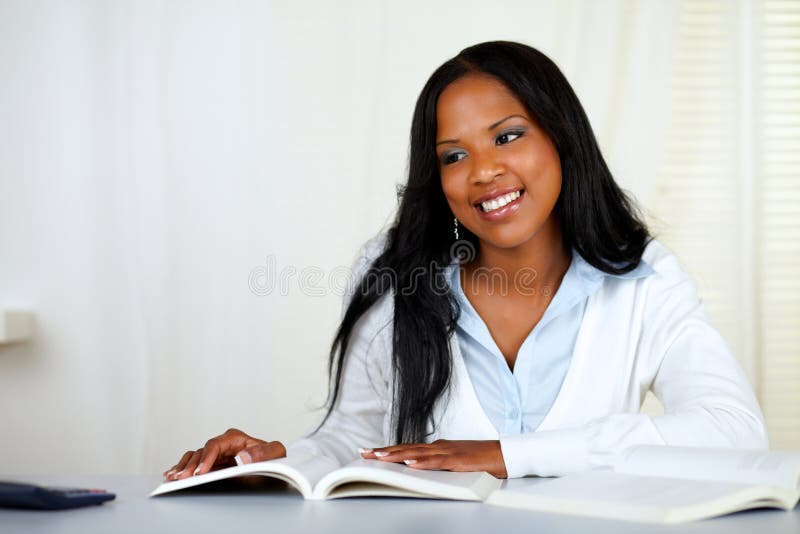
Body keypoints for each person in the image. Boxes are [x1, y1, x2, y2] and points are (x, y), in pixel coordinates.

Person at [163, 41, 767, 482]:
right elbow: (355, 441)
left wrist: (511, 455)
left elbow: (734, 431)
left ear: (561, 138)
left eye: (508, 136)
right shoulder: (393, 272)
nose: (483, 171)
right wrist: (268, 463)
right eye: (454, 155)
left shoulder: (643, 279)